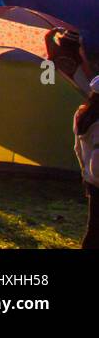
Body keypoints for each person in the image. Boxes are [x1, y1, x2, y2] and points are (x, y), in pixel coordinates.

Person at [75, 77, 99, 248]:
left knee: (94, 228)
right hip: (97, 179)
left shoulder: (81, 114)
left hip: (91, 180)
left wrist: (85, 173)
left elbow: (77, 148)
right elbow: (97, 161)